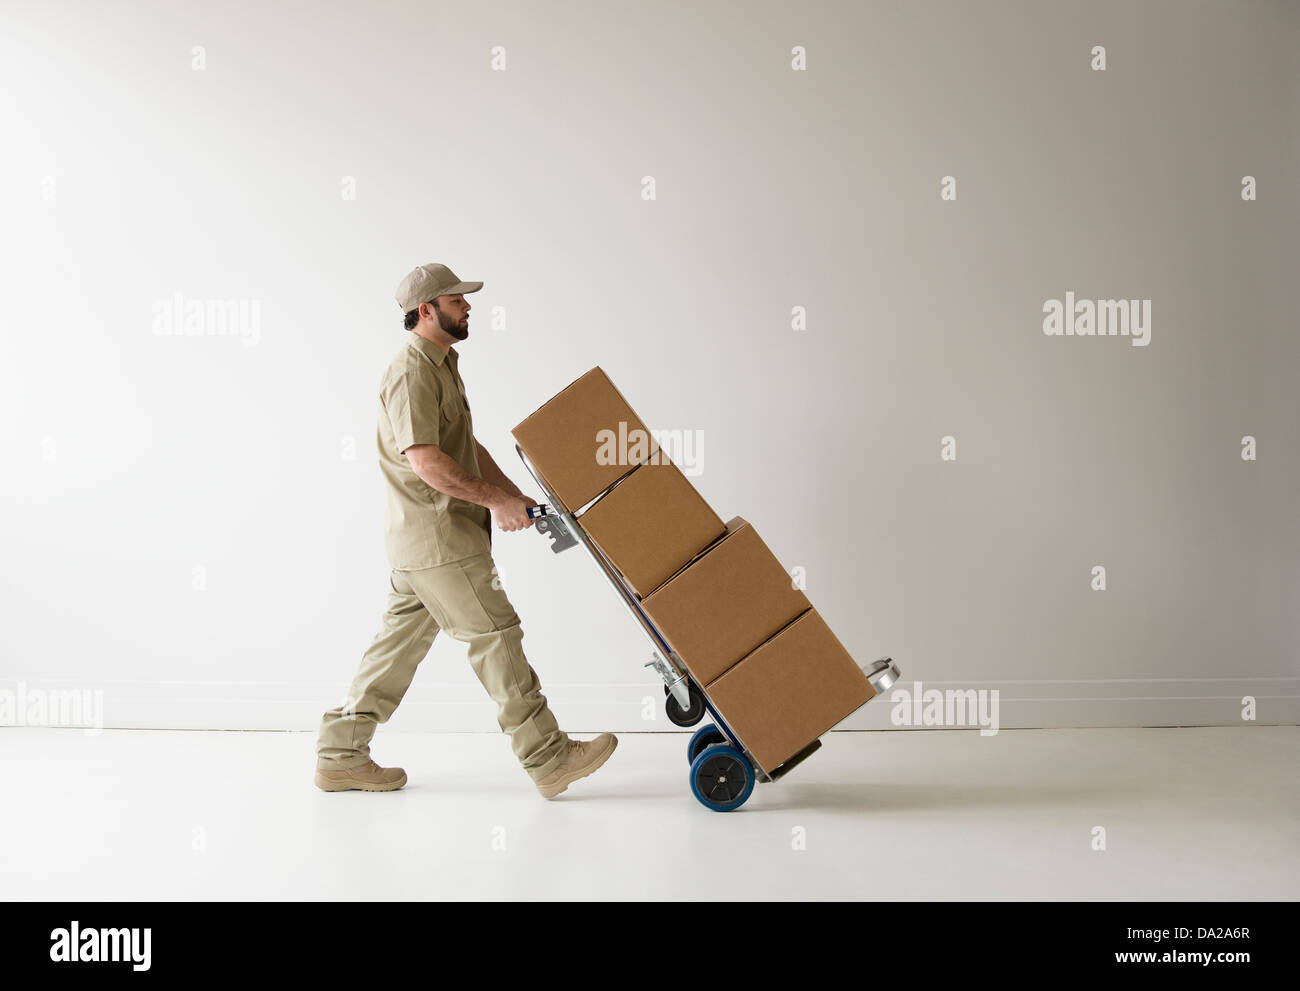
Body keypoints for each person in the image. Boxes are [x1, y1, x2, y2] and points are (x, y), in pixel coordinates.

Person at [314, 263, 617, 798]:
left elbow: (466, 448)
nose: (468, 307)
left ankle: (340, 755)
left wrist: (511, 493)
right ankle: (549, 760)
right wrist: (495, 501)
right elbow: (427, 461)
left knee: (395, 650)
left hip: (422, 543)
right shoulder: (411, 371)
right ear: (426, 310)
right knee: (496, 636)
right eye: (457, 300)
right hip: (440, 540)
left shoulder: (442, 363)